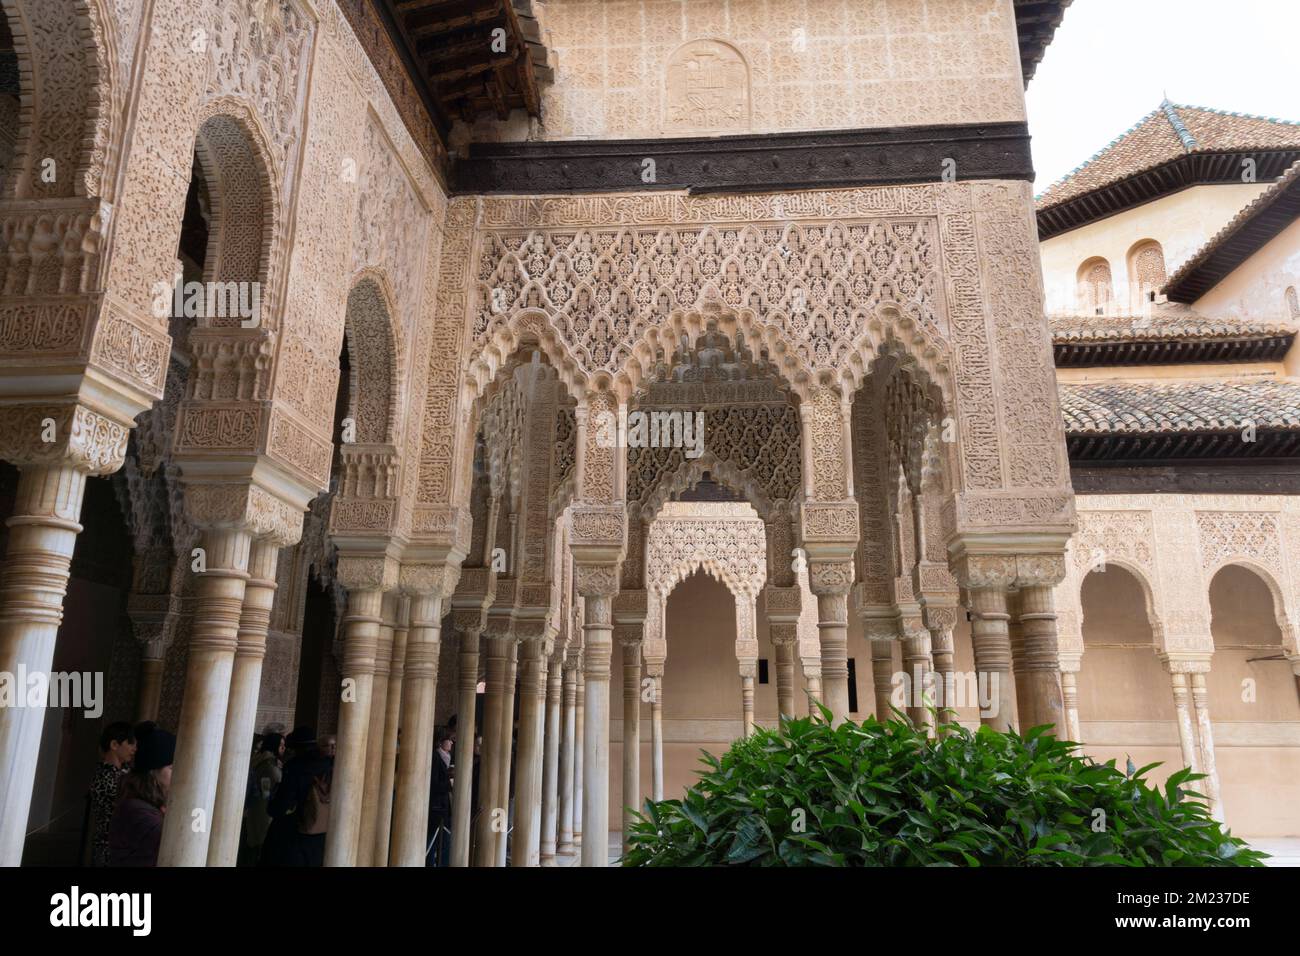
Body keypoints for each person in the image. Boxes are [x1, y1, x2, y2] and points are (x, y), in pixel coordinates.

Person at [262, 726, 331, 866]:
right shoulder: (328, 765)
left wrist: (272, 808)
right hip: (321, 833)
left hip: (295, 832)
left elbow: (282, 804)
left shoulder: (295, 767)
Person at [108, 729, 175, 867]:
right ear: (152, 772)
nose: (179, 775)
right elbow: (178, 844)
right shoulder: (135, 810)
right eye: (172, 768)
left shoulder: (149, 805)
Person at [83, 722, 136, 866]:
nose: (134, 748)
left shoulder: (124, 772)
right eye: (130, 743)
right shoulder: (104, 776)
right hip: (108, 846)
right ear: (114, 745)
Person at [242, 732, 284, 864]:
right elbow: (268, 787)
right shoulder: (268, 765)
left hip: (256, 806)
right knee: (261, 842)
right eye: (281, 745)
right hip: (264, 808)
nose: (284, 748)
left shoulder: (261, 760)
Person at [426, 727, 453, 866]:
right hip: (437, 808)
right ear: (440, 741)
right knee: (435, 842)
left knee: (442, 842)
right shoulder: (436, 758)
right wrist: (450, 783)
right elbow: (434, 785)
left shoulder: (445, 758)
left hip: (443, 807)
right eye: (449, 739)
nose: (451, 742)